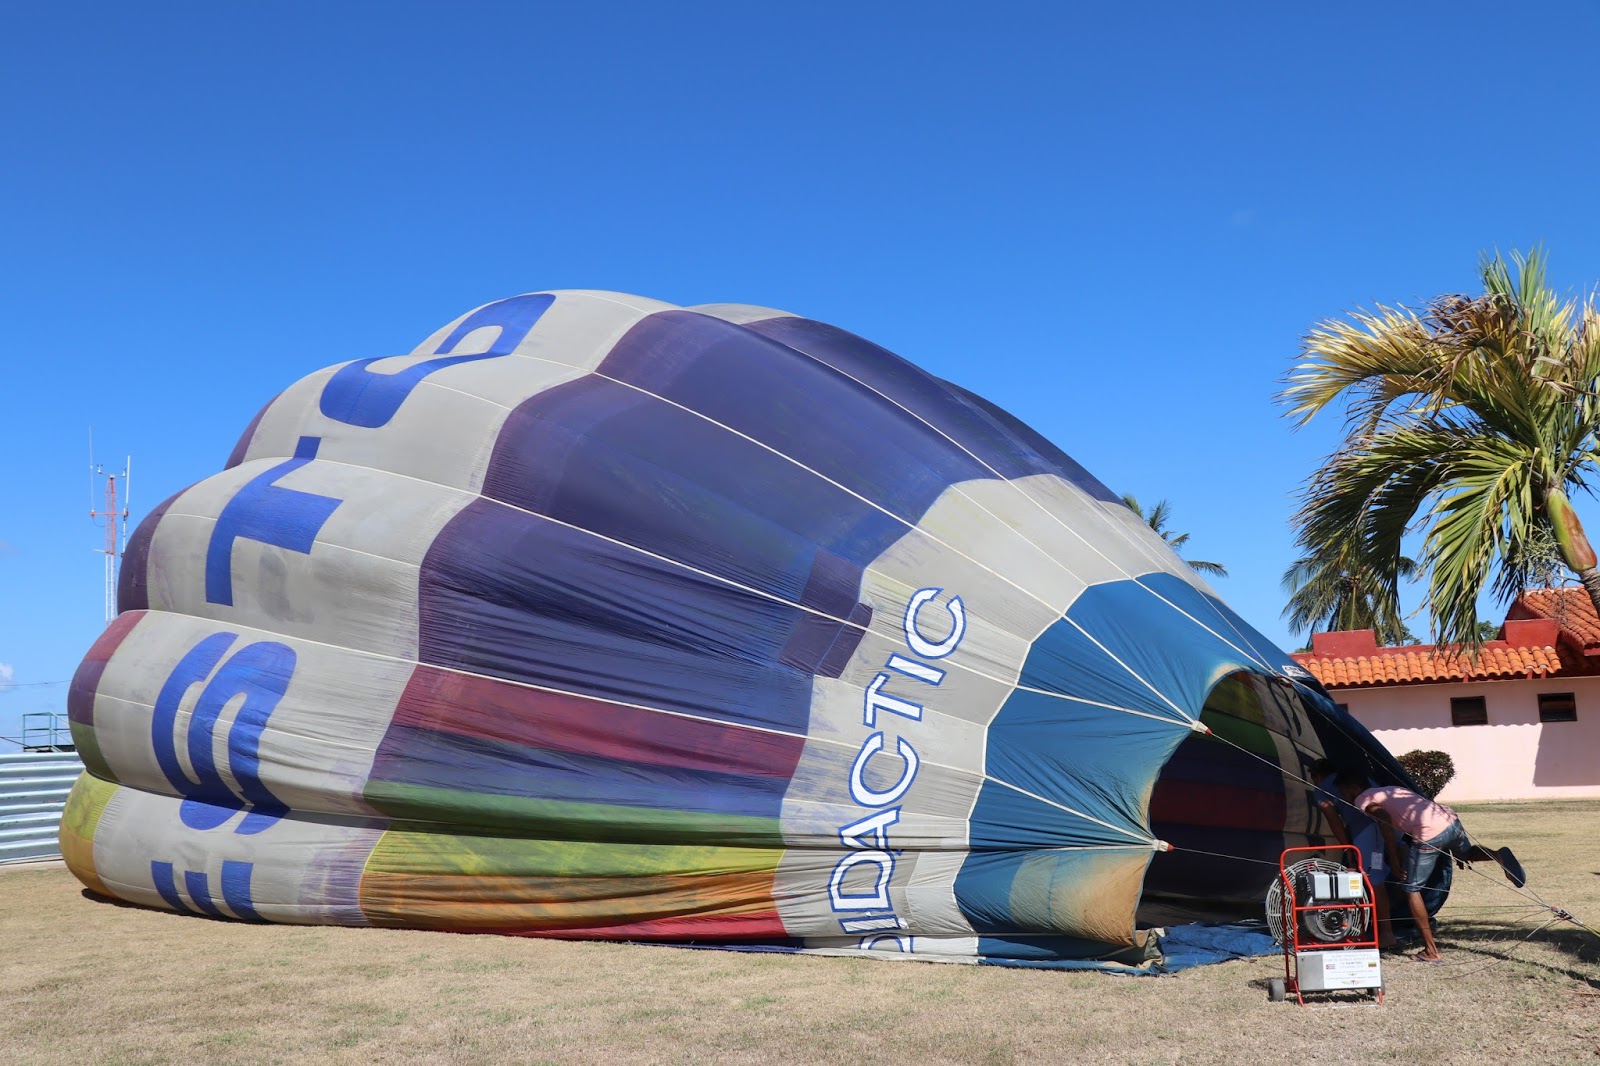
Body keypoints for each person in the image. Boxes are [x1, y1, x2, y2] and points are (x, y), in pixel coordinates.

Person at [1335, 769, 1527, 962]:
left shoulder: (1362, 799)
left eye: (1344, 793)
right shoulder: (1391, 789)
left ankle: (1431, 951)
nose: (1346, 798)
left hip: (1429, 833)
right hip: (1450, 820)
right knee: (1466, 854)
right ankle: (1497, 855)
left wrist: (1392, 858)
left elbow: (1383, 818)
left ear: (1353, 787)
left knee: (1411, 888)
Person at [1310, 760, 1396, 951]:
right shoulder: (1356, 777)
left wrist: (1348, 848)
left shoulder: (1321, 790)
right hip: (1387, 825)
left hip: (1368, 829)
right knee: (1376, 875)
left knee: (1375, 880)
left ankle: (1387, 933)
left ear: (1316, 777)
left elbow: (1335, 822)